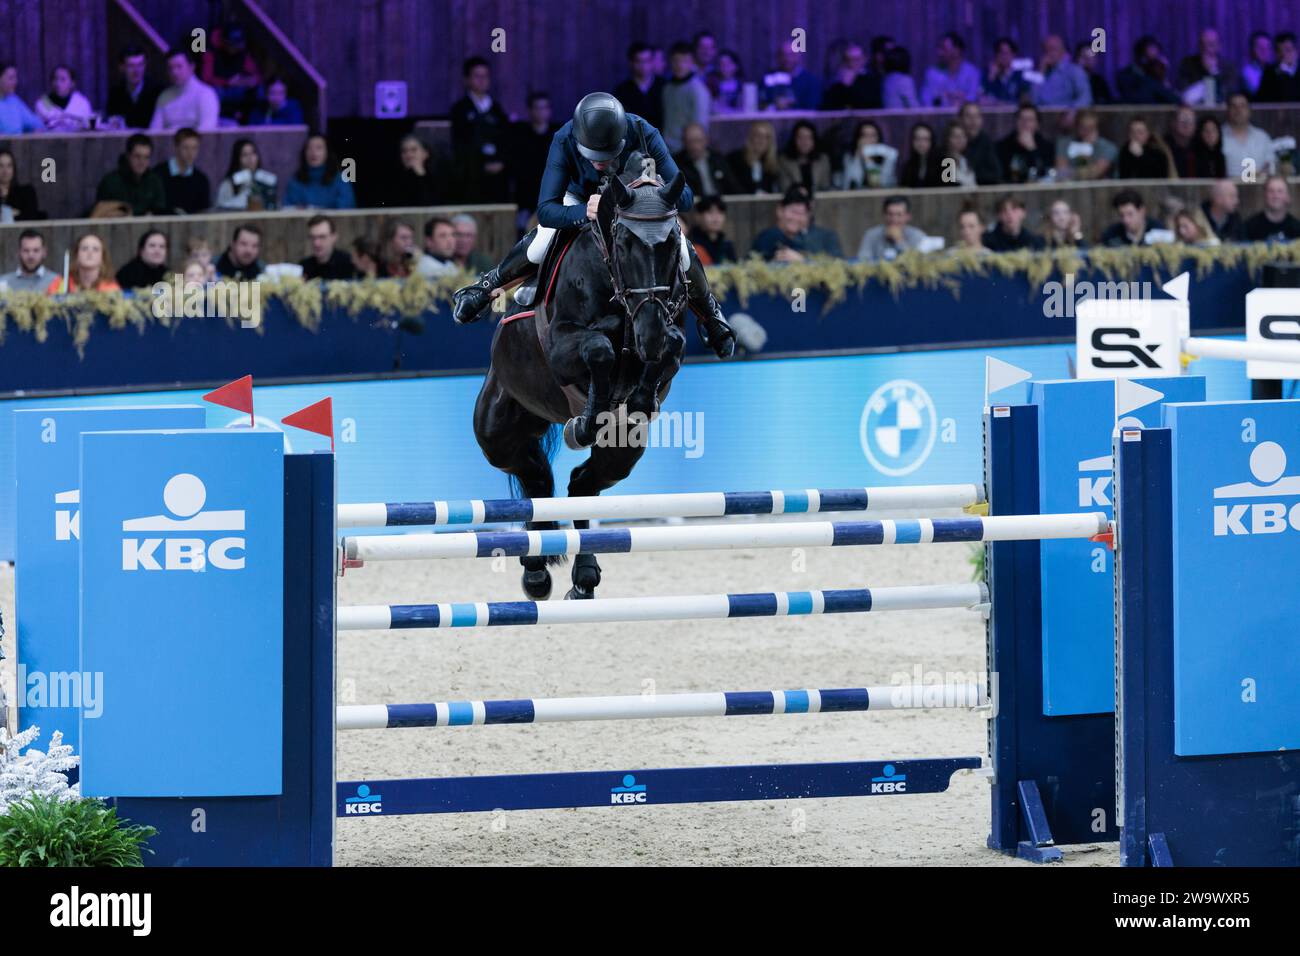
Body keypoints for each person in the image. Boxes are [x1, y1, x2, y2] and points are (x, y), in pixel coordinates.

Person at [451, 92, 733, 356]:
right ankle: (486, 287)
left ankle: (711, 314)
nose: (601, 162)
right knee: (542, 242)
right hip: (582, 200)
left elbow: (684, 197)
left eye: (609, 154)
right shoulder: (564, 138)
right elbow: (547, 210)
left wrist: (650, 193)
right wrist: (582, 212)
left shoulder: (645, 133)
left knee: (680, 245)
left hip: (634, 204)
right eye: (594, 156)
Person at [450, 56, 511, 203]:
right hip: (471, 177)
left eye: (485, 76)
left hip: (497, 176)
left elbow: (506, 140)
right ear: (467, 79)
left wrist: (501, 162)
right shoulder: (460, 109)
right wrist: (480, 165)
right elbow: (460, 144)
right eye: (477, 76)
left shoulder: (497, 109)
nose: (482, 80)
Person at [750, 186, 841, 261]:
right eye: (793, 212)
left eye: (801, 214)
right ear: (780, 210)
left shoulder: (804, 239)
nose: (796, 218)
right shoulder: (767, 238)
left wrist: (802, 261)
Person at [511, 93, 560, 219]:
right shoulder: (520, 135)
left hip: (552, 194)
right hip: (526, 196)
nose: (541, 112)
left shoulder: (558, 135)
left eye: (544, 108)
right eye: (537, 108)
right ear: (530, 110)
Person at [200, 22, 262, 120]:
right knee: (214, 93)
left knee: (259, 91)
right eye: (233, 45)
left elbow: (255, 74)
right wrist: (228, 82)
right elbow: (206, 78)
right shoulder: (211, 52)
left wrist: (250, 80)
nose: (236, 48)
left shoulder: (242, 52)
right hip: (220, 89)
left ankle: (250, 120)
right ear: (225, 42)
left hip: (237, 88)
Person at [95, 133, 168, 216]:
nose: (142, 162)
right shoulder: (110, 182)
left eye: (146, 157)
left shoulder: (154, 181)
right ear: (128, 156)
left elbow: (160, 211)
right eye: (137, 156)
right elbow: (100, 212)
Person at [149, 49, 220, 131]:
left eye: (179, 67)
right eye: (170, 68)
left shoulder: (206, 94)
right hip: (167, 143)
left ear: (192, 67)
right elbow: (154, 132)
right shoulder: (164, 96)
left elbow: (207, 131)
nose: (174, 72)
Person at [661, 42, 710, 153]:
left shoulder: (698, 90)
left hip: (687, 149)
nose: (680, 65)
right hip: (667, 147)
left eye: (684, 61)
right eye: (676, 60)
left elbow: (699, 127)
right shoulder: (667, 88)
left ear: (692, 63)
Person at [285, 133, 355, 209]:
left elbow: (345, 209)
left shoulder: (341, 180)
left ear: (327, 152)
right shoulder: (295, 181)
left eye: (319, 148)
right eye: (309, 148)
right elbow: (287, 209)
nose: (313, 152)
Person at [674, 122, 739, 198]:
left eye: (698, 140)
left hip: (720, 205)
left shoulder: (718, 159)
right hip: (695, 207)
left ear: (706, 140)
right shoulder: (677, 163)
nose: (695, 146)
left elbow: (733, 187)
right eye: (690, 142)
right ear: (684, 142)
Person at [155, 128, 211, 214]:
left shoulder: (201, 179)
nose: (190, 153)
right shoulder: (158, 174)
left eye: (194, 148)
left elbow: (204, 211)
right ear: (176, 147)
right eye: (185, 147)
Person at [106, 46, 162, 129]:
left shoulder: (157, 92)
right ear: (122, 68)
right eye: (131, 66)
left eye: (140, 65)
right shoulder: (115, 94)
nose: (136, 71)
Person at [1221, 93, 1276, 179]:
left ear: (1249, 110)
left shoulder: (1262, 137)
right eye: (1234, 106)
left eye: (1242, 106)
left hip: (1259, 188)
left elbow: (1271, 165)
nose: (1238, 110)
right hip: (1226, 189)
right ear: (1228, 110)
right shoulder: (1218, 136)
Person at [856, 194, 926, 261]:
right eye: (890, 214)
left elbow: (919, 264)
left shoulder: (917, 236)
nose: (894, 219)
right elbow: (863, 260)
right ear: (884, 215)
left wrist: (899, 241)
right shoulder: (871, 235)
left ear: (907, 216)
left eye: (899, 215)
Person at [216, 138, 279, 211]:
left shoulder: (266, 180)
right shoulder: (228, 183)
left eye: (253, 153)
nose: (250, 158)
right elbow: (220, 208)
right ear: (237, 159)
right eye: (245, 155)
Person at [997, 104, 1054, 184]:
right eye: (1022, 119)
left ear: (1037, 124)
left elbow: (1045, 176)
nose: (1025, 123)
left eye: (1030, 120)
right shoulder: (1002, 146)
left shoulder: (1046, 147)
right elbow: (1000, 176)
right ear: (1016, 122)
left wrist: (1032, 149)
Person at [920, 32, 980, 107]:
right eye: (939, 48)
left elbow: (974, 100)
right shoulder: (932, 73)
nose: (939, 53)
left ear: (957, 50)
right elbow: (926, 101)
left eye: (944, 49)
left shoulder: (972, 73)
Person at [1177, 28, 1236, 104]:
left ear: (1218, 46)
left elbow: (1227, 93)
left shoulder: (1228, 67)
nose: (1206, 49)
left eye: (1211, 44)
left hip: (1221, 109)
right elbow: (1184, 91)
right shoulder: (1187, 64)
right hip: (1194, 109)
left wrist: (1213, 71)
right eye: (1203, 44)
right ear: (1199, 45)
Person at [1055, 108, 1117, 180]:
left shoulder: (1108, 147)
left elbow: (1094, 174)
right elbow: (1062, 173)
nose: (1087, 132)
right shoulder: (1064, 143)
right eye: (1083, 127)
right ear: (1076, 126)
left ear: (1097, 128)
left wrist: (1085, 148)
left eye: (1091, 128)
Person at [46, 234, 120, 293]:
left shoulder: (112, 289)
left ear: (102, 257)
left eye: (95, 249)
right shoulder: (60, 284)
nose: (90, 252)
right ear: (76, 256)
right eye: (84, 248)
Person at [614, 43, 665, 129]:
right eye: (638, 61)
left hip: (661, 139)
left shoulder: (664, 86)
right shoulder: (622, 90)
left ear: (652, 62)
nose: (643, 65)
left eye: (647, 60)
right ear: (631, 63)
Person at [835, 120, 898, 189]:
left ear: (878, 138)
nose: (869, 139)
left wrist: (868, 161)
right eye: (864, 136)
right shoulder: (849, 157)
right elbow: (850, 184)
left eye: (873, 135)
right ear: (858, 139)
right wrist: (858, 156)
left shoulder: (886, 156)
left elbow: (880, 184)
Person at [1116, 36, 1179, 104]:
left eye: (1157, 56)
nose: (1155, 60)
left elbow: (1171, 98)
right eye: (1150, 57)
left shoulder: (1157, 75)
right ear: (1141, 56)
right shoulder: (1125, 76)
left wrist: (1163, 74)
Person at [1032, 35, 1091, 107]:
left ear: (1063, 51)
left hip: (1069, 115)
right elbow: (1033, 101)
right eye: (1046, 50)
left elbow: (1086, 97)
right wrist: (1041, 71)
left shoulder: (1075, 71)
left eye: (1052, 49)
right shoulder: (1039, 74)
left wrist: (1073, 110)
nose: (1049, 53)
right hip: (1043, 115)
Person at [822, 42, 882, 110]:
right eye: (848, 59)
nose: (852, 63)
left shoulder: (872, 80)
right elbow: (830, 104)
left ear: (864, 59)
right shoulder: (837, 80)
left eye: (856, 59)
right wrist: (843, 86)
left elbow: (867, 103)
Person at [762, 42, 821, 110]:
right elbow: (762, 102)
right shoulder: (769, 78)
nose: (786, 59)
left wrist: (791, 105)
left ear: (798, 56)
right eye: (782, 55)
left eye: (791, 55)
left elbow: (813, 107)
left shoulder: (811, 81)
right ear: (777, 57)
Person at [777, 120, 832, 192]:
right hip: (793, 201)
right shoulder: (784, 161)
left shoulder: (823, 160)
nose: (805, 142)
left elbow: (826, 188)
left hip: (819, 202)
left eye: (808, 137)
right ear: (794, 140)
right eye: (800, 137)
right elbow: (784, 188)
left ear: (814, 140)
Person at [727, 121, 781, 193]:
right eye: (758, 135)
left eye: (766, 137)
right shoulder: (735, 159)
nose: (762, 140)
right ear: (750, 137)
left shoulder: (774, 162)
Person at [35, 65, 93, 132]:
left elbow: (88, 128)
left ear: (72, 83)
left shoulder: (81, 103)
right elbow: (38, 129)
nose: (58, 83)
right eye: (55, 79)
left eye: (63, 79)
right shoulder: (43, 102)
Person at [299, 215, 359, 280]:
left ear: (334, 237)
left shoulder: (350, 264)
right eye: (312, 237)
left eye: (322, 237)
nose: (316, 243)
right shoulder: (304, 267)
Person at [1244, 175, 1300, 242]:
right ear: (1264, 195)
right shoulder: (1249, 227)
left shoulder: (1297, 228)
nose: (1275, 195)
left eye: (1280, 191)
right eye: (1271, 191)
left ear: (1287, 196)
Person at [957, 103, 1002, 185]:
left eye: (976, 116)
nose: (973, 120)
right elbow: (946, 180)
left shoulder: (987, 143)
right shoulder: (951, 144)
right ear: (960, 119)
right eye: (968, 116)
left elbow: (995, 175)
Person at [1100, 189, 1164, 246]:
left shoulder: (1158, 230)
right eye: (1121, 215)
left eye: (1130, 214)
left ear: (1142, 211)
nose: (1125, 220)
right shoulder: (1111, 235)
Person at [392, 134, 439, 207]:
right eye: (404, 151)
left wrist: (420, 174)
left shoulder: (437, 179)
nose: (409, 155)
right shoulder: (393, 180)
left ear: (425, 154)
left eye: (414, 150)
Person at [688, 196, 735, 265]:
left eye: (720, 212)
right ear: (698, 216)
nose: (716, 218)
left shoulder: (727, 244)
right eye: (710, 212)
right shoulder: (690, 243)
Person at [1256, 32, 1300, 102]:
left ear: (1296, 51)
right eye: (1279, 51)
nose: (1284, 55)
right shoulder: (1270, 72)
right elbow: (1262, 99)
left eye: (1288, 50)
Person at [982, 37, 1027, 104]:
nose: (1004, 57)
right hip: (993, 112)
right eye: (1001, 53)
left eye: (1007, 53)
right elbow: (982, 97)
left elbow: (1024, 99)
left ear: (1013, 54)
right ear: (996, 55)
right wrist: (991, 78)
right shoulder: (988, 74)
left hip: (1013, 112)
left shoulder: (1020, 76)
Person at [0, 149, 41, 221]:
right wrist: (12, 213)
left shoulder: (26, 192)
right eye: (1, 166)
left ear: (14, 168)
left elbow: (31, 217)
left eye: (9, 166)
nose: (5, 171)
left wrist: (6, 214)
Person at [899, 122, 943, 188]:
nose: (921, 143)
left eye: (926, 139)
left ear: (932, 141)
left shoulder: (944, 163)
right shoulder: (908, 165)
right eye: (917, 139)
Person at [0, 63, 40, 134]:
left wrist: (37, 129)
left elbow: (34, 122)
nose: (15, 82)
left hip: (17, 144)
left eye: (15, 78)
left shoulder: (14, 100)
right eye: (11, 78)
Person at [939, 124, 977, 188]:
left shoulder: (966, 159)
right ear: (947, 139)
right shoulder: (944, 161)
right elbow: (948, 188)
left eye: (963, 136)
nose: (960, 139)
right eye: (956, 136)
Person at [1240, 31, 1273, 97]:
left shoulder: (1276, 70)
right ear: (1252, 49)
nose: (1264, 50)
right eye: (1260, 47)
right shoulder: (1247, 72)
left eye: (1267, 47)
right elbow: (1257, 94)